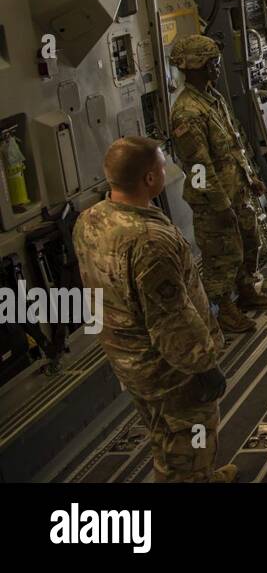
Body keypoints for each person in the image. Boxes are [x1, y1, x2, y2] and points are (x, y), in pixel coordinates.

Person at [73, 137, 237, 482]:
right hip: (169, 370)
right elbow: (172, 320)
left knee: (163, 433)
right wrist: (205, 367)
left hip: (127, 356)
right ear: (150, 178)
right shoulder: (149, 241)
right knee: (190, 440)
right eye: (162, 166)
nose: (166, 171)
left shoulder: (90, 220)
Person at [168, 35, 267, 335]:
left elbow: (232, 145)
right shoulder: (187, 112)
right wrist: (220, 205)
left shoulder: (212, 98)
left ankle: (246, 290)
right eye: (212, 63)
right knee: (222, 256)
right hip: (215, 201)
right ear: (195, 66)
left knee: (250, 243)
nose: (216, 68)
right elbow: (198, 167)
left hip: (237, 190)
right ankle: (222, 309)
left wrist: (250, 177)